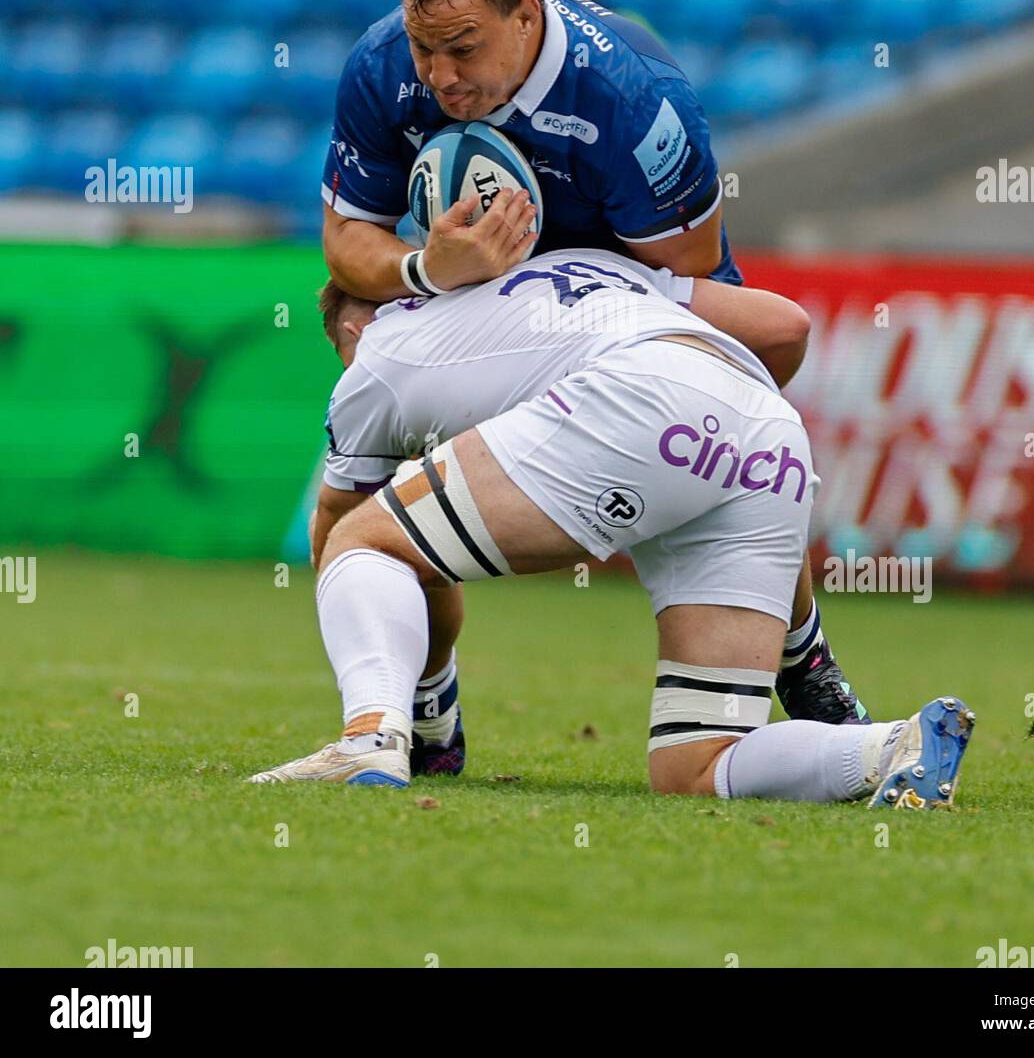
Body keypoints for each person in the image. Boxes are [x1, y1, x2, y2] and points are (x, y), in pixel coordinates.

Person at [320, 0, 868, 763]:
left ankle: (802, 650)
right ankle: (424, 711)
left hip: (618, 291)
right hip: (465, 284)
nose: (440, 76)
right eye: (427, 47)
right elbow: (348, 242)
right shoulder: (383, 63)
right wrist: (433, 275)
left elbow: (687, 275)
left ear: (527, 15)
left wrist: (536, 286)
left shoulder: (636, 101)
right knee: (358, 492)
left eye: (463, 48)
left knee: (761, 345)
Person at [250, 251, 974, 809]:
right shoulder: (592, 267)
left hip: (639, 400)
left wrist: (427, 712)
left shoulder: (377, 353)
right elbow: (784, 324)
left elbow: (346, 534)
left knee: (364, 545)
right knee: (695, 767)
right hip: (769, 430)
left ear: (351, 326)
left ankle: (371, 736)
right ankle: (892, 748)